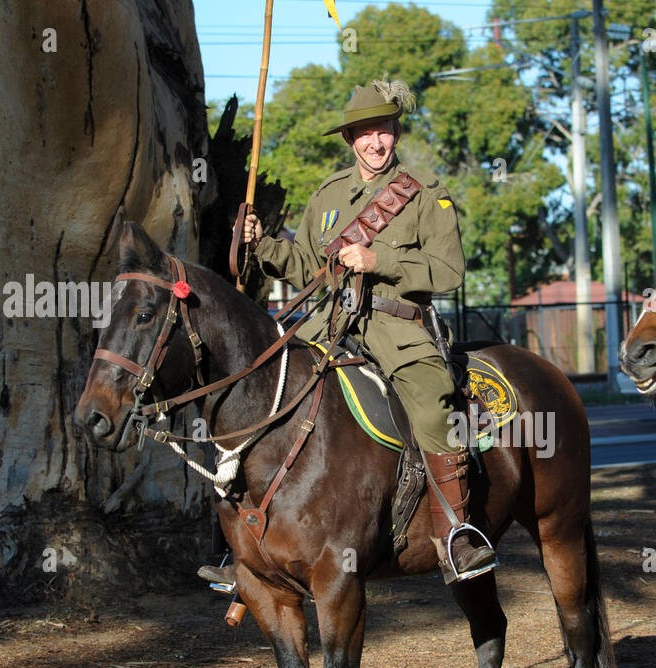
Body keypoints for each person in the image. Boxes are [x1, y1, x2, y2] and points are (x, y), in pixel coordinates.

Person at [203, 80, 495, 587]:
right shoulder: (330, 195)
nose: (374, 143)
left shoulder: (426, 194)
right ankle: (244, 546)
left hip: (397, 326)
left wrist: (378, 259)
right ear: (350, 140)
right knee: (257, 391)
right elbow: (308, 266)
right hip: (328, 322)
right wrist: (261, 244)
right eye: (364, 134)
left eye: (382, 131)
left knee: (432, 404)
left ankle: (457, 533)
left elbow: (449, 272)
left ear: (396, 132)